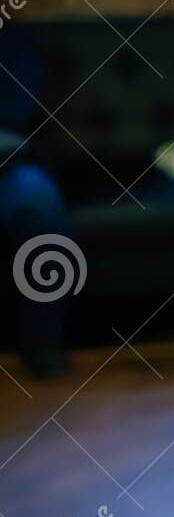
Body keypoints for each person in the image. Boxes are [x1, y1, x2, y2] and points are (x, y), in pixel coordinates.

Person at [0, 24, 73, 379]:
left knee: (40, 204)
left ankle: (43, 347)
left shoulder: (11, 31)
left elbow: (17, 104)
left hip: (8, 163)